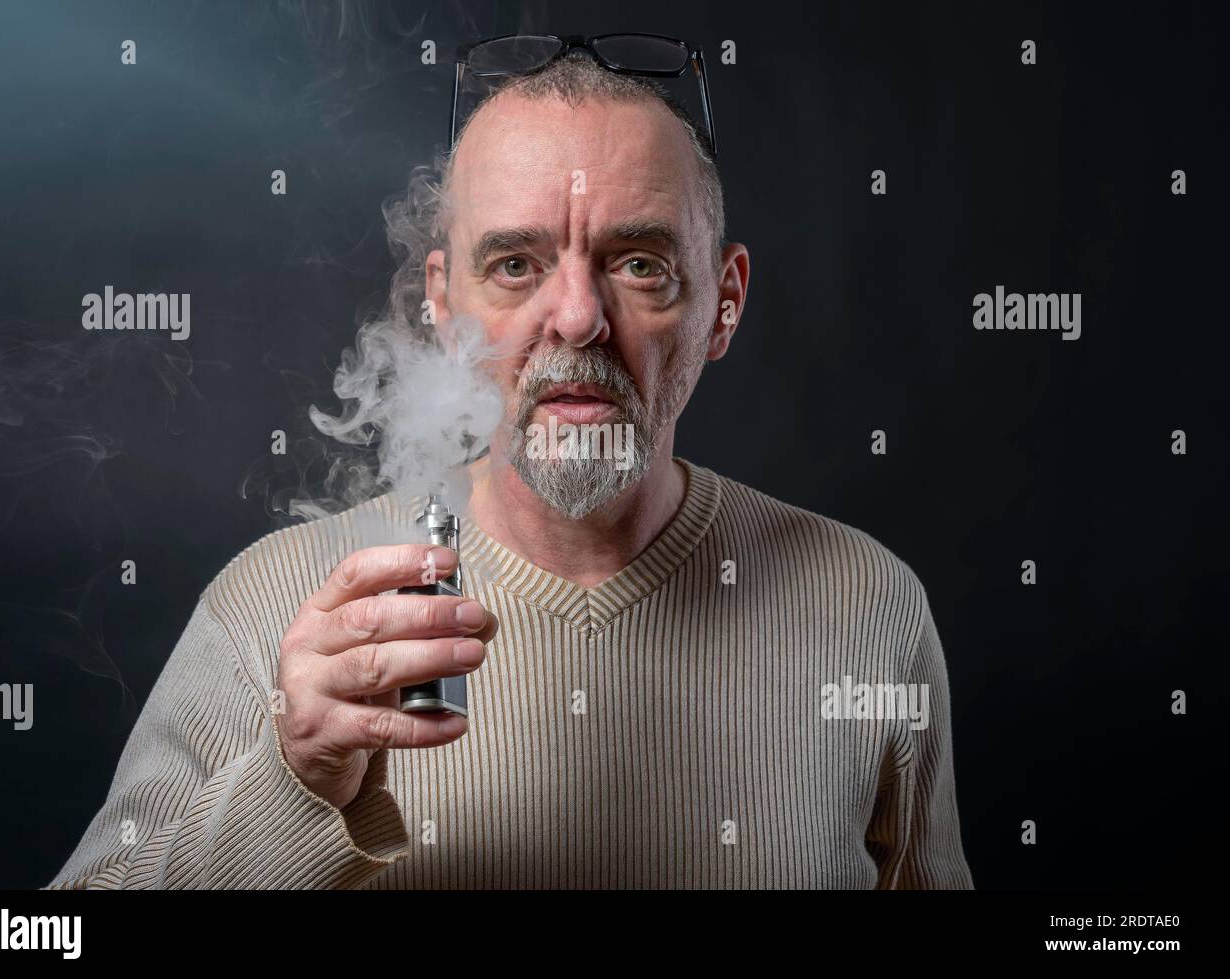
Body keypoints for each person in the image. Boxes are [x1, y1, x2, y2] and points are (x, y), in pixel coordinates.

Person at [48, 46, 973, 889]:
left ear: (722, 304)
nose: (576, 317)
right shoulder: (272, 611)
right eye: (517, 265)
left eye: (639, 263)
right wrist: (293, 782)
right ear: (445, 306)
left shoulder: (866, 605)